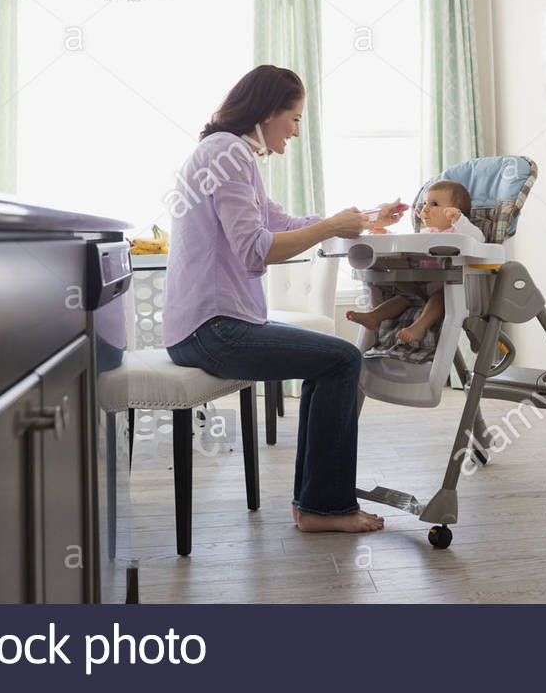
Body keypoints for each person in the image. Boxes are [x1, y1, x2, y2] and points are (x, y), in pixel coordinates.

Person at [163, 65, 405, 534]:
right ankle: (322, 507)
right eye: (293, 117)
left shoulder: (232, 156)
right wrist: (333, 228)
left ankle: (317, 504)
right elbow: (259, 247)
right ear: (266, 112)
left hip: (208, 328)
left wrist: (369, 216)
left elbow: (287, 223)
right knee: (342, 360)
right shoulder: (228, 154)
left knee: (331, 361)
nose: (296, 131)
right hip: (212, 331)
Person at [345, 179, 483, 346]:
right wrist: (383, 232)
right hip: (421, 285)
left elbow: (478, 240)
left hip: (448, 288)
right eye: (425, 203)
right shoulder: (425, 233)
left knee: (438, 298)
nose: (425, 208)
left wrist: (460, 221)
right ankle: (373, 316)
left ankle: (419, 327)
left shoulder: (459, 232)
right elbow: (405, 246)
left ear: (454, 211)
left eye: (434, 204)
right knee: (403, 297)